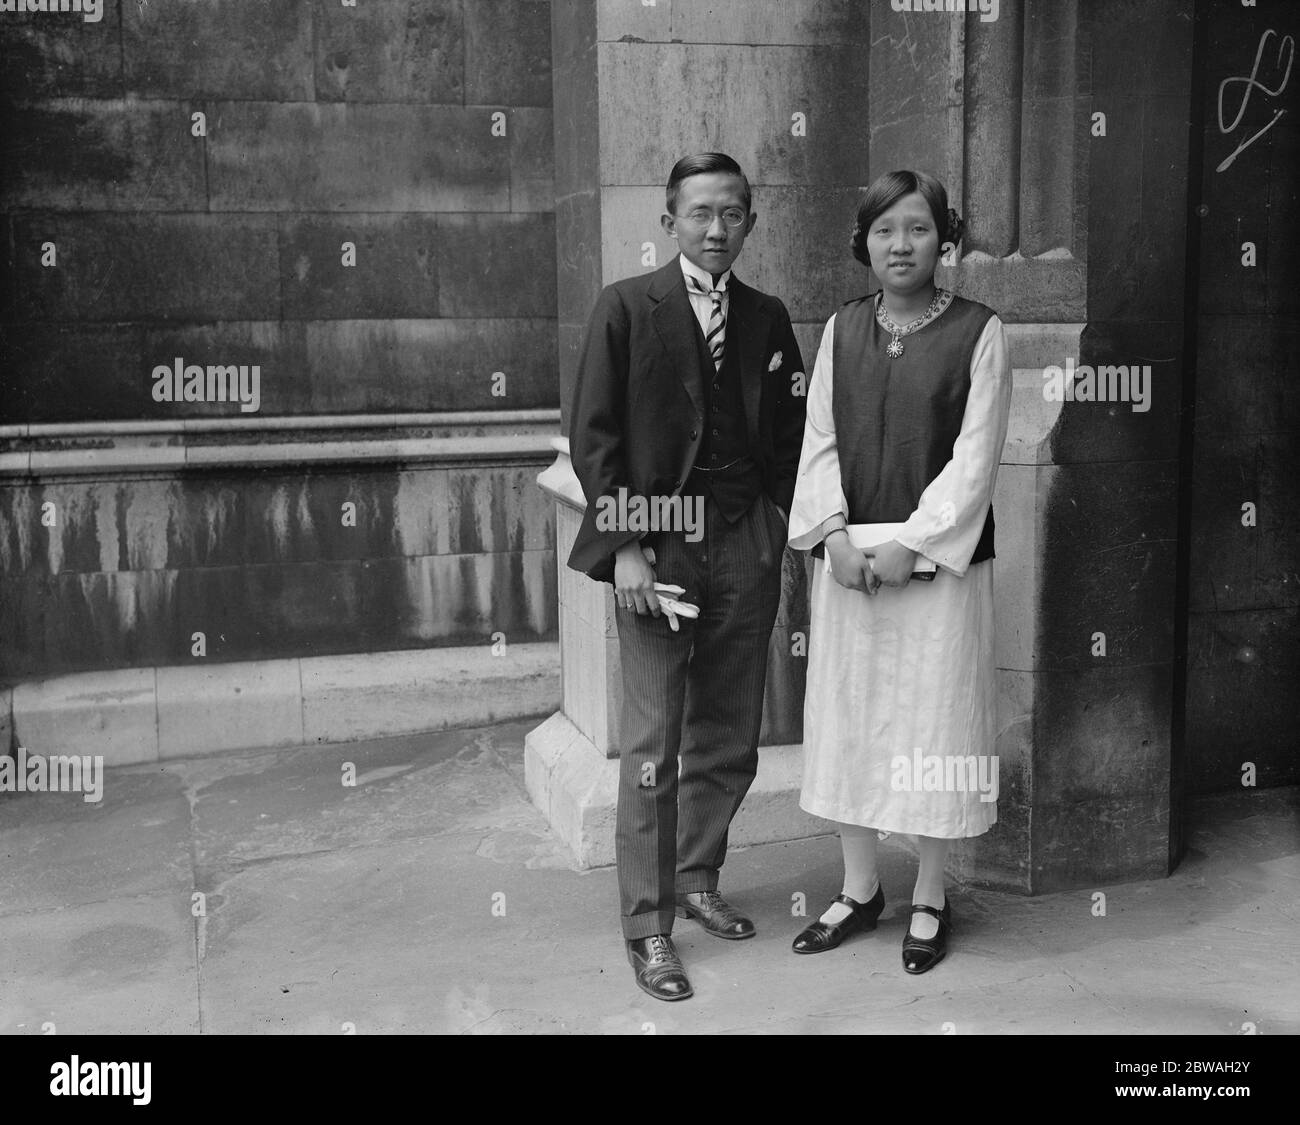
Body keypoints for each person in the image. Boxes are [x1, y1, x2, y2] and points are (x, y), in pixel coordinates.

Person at [567, 153, 806, 1001]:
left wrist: (780, 529)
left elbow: (790, 437)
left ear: (749, 222)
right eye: (699, 213)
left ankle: (698, 875)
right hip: (659, 548)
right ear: (669, 220)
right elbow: (593, 438)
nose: (715, 229)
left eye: (732, 214)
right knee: (651, 747)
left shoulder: (769, 318)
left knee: (730, 735)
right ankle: (648, 925)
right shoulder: (627, 309)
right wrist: (625, 546)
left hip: (745, 542)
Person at [786, 170, 1012, 974]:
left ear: (944, 238)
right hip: (850, 563)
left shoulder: (981, 331)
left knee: (930, 724)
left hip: (935, 565)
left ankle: (928, 894)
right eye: (885, 230)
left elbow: (975, 459)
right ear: (864, 242)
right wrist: (834, 538)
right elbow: (819, 440)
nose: (901, 245)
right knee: (849, 717)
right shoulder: (841, 330)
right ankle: (857, 888)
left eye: (917, 229)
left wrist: (911, 544)